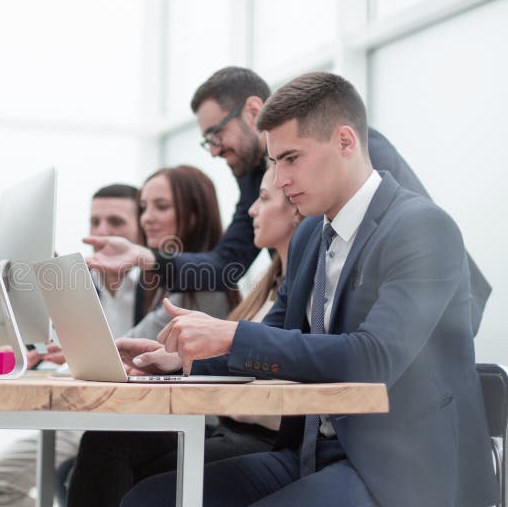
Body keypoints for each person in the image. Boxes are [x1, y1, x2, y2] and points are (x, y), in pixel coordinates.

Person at [118, 72, 497, 507]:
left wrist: (229, 334)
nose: (281, 178)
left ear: (345, 141)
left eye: (292, 159)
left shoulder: (422, 228)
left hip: (394, 469)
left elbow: (373, 358)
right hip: (313, 452)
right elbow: (274, 338)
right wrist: (182, 358)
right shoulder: (309, 238)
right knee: (145, 506)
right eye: (276, 161)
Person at [85, 66, 491, 335]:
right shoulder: (254, 174)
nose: (212, 150)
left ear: (252, 111)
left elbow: (412, 246)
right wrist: (147, 258)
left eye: (215, 135)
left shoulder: (354, 154)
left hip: (431, 321)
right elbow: (228, 266)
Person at [64, 165, 298, 507]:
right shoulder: (269, 283)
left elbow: (262, 360)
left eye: (263, 200)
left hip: (251, 432)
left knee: (113, 460)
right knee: (104, 446)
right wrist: (174, 361)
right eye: (145, 207)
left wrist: (178, 361)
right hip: (228, 425)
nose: (250, 210)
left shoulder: (284, 289)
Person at [0, 184, 146, 507]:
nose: (103, 232)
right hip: (78, 420)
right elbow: (50, 347)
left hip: (124, 423)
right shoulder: (77, 282)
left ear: (140, 230)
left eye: (116, 222)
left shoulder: (155, 288)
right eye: (96, 221)